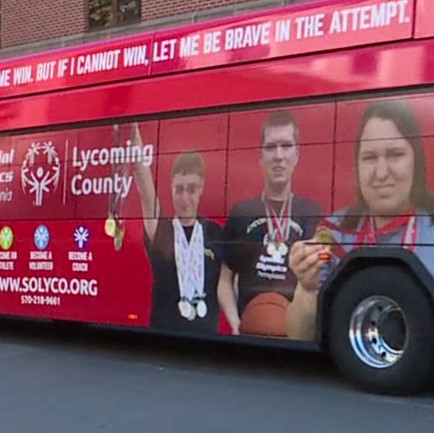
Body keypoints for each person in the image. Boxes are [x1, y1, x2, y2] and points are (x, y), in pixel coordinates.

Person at [285, 100, 434, 356]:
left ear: (416, 161)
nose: (381, 173)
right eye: (370, 158)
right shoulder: (333, 234)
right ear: (357, 167)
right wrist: (307, 288)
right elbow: (298, 337)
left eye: (395, 155)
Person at [217, 110, 324, 337]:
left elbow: (318, 282)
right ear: (261, 156)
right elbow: (225, 279)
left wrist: (305, 326)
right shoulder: (242, 212)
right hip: (250, 330)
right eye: (271, 147)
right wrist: (235, 323)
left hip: (294, 335)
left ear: (297, 154)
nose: (279, 156)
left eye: (286, 146)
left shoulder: (312, 213)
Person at [130, 123, 224, 333]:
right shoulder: (161, 230)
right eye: (179, 189)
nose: (184, 197)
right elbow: (144, 182)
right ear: (171, 188)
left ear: (202, 188)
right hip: (163, 339)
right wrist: (133, 131)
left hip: (207, 340)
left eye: (191, 189)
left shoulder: (216, 233)